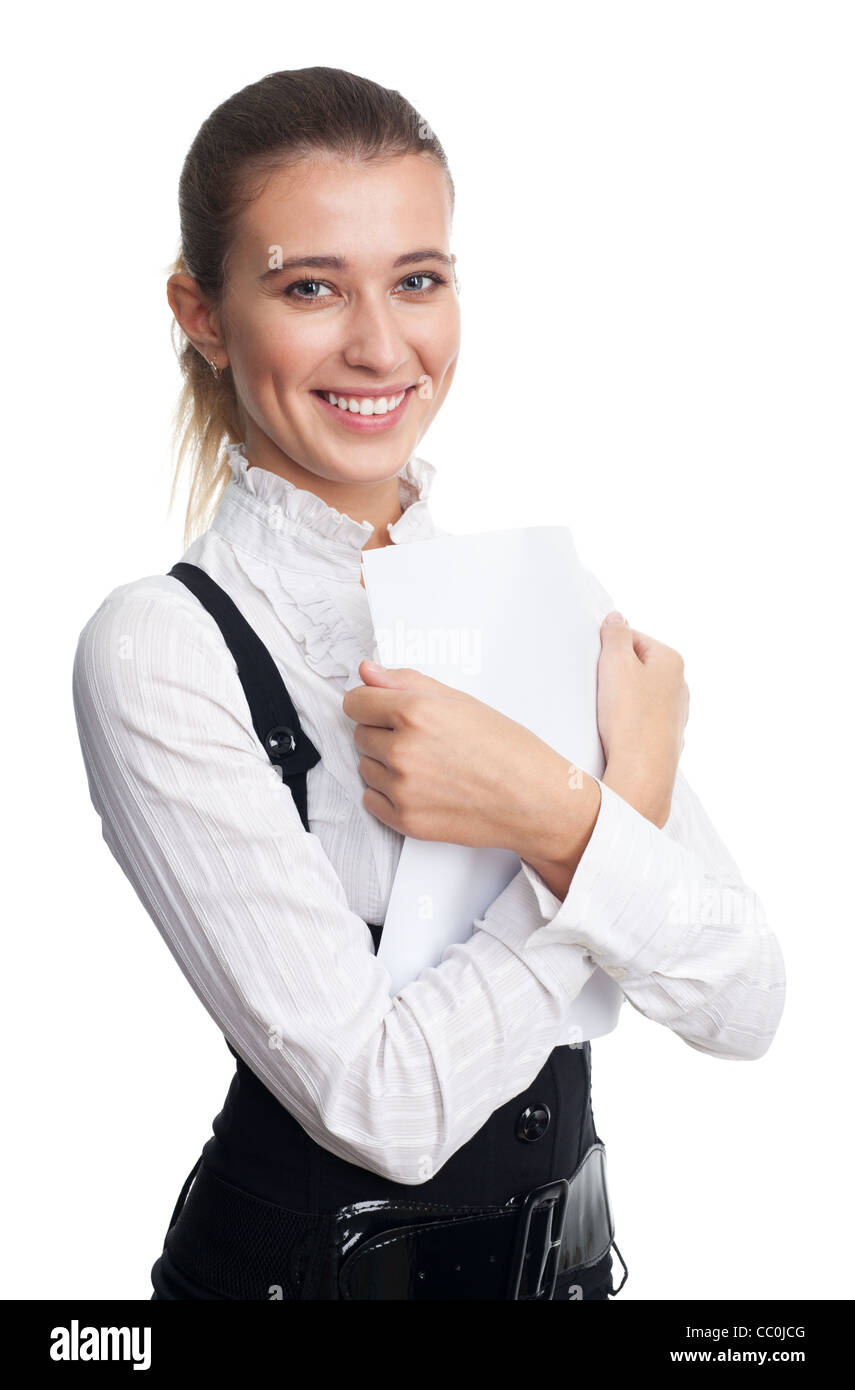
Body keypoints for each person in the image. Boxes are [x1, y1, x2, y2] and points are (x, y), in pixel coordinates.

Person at [71, 66, 786, 1301]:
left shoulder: (537, 598)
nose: (380, 344)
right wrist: (614, 809)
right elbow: (382, 1104)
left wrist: (556, 814)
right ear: (201, 312)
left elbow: (746, 995)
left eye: (417, 279)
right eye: (310, 287)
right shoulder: (165, 648)